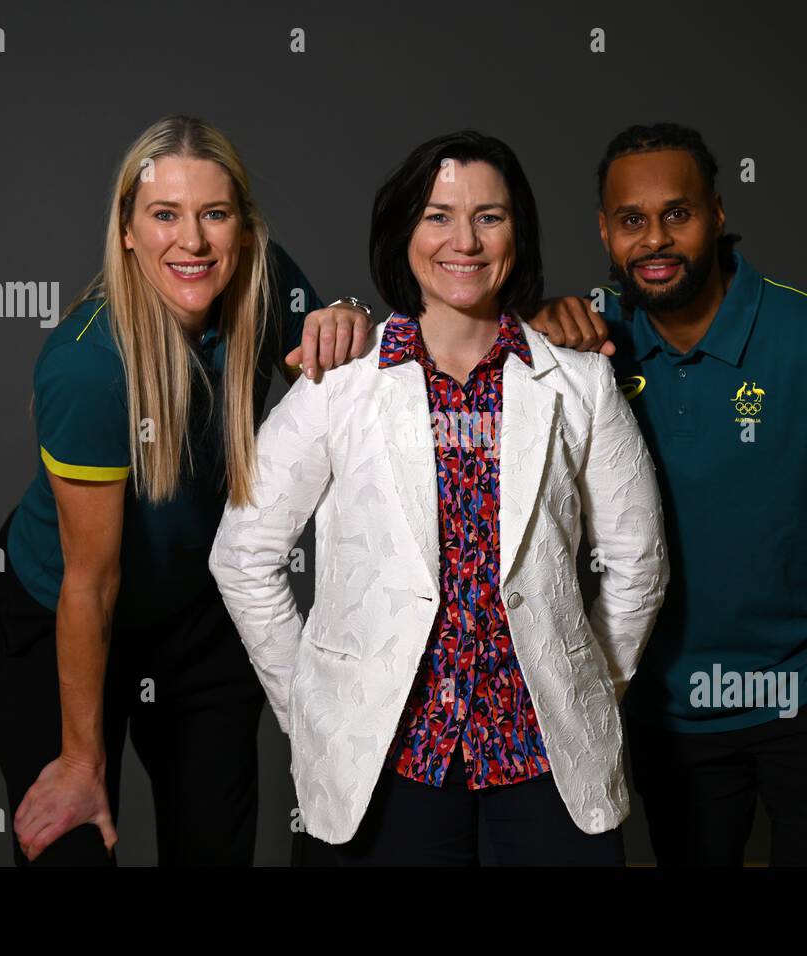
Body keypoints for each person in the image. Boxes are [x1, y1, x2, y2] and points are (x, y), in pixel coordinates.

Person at [208, 130, 668, 866]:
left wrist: (582, 688)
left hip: (545, 762)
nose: (466, 240)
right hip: (383, 762)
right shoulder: (340, 379)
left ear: (519, 231)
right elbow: (244, 554)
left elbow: (636, 562)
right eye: (438, 215)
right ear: (404, 232)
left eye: (490, 216)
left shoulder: (578, 381)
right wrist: (317, 708)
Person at [529, 122, 807, 866]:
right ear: (604, 231)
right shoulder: (589, 348)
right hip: (671, 714)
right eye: (632, 220)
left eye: (678, 214)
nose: (655, 239)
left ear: (717, 214)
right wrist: (534, 326)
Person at [0, 115, 374, 866]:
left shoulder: (267, 277)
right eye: (164, 215)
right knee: (71, 850)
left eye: (214, 215)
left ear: (244, 229)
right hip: (68, 612)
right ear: (127, 230)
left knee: (214, 849)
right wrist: (82, 762)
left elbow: (352, 409)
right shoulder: (86, 367)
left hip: (195, 616)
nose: (191, 242)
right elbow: (91, 585)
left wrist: (348, 319)